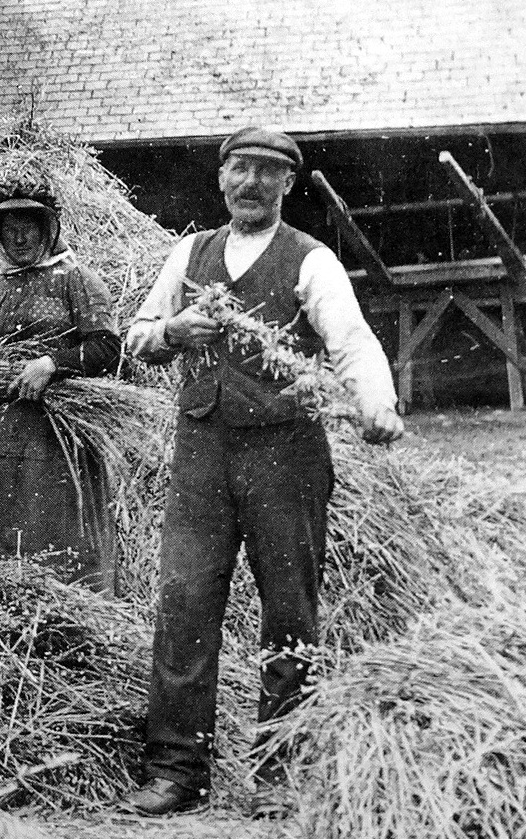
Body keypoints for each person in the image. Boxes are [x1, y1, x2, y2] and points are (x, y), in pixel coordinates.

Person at [120, 127, 403, 818]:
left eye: (267, 173)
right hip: (202, 451)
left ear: (287, 185)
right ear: (221, 178)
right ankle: (177, 770)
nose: (251, 183)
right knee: (184, 603)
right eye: (240, 169)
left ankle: (281, 772)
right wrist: (172, 332)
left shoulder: (311, 260)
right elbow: (137, 335)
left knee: (289, 611)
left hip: (286, 455)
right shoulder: (190, 252)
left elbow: (351, 341)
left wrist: (377, 402)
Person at [0, 181, 121, 594]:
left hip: (54, 437)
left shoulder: (75, 280)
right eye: (9, 228)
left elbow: (106, 347)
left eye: (28, 226)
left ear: (45, 230)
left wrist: (53, 364)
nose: (19, 237)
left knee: (54, 543)